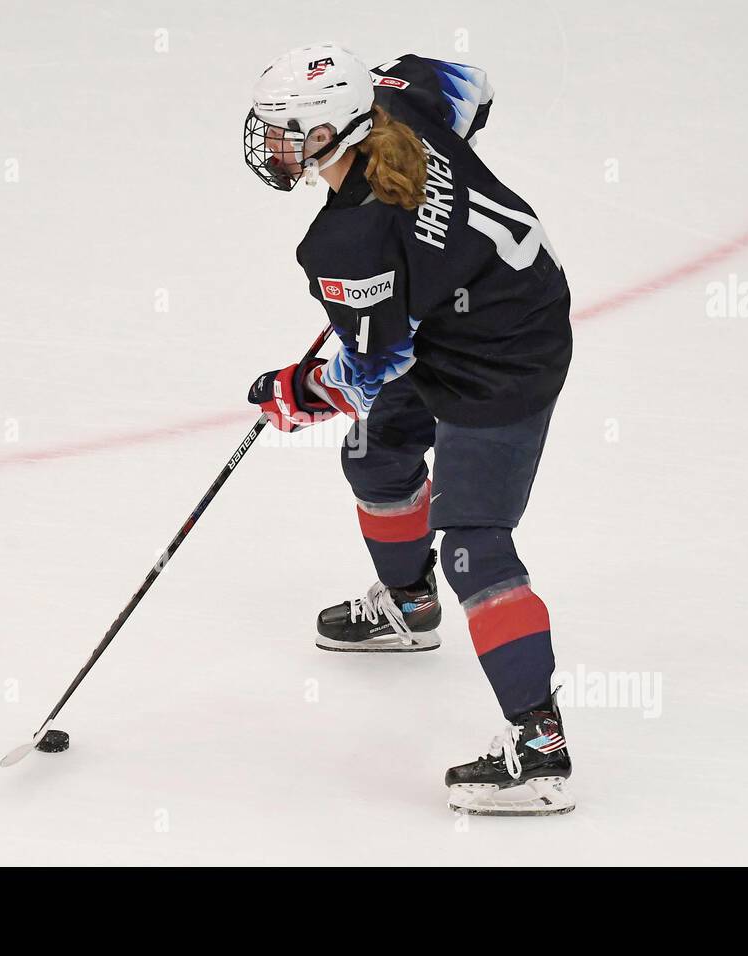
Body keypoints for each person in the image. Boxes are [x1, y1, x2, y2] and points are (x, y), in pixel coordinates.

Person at [242, 42, 575, 815]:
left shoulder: (345, 245)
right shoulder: (401, 96)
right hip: (466, 317)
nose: (272, 145)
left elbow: (365, 372)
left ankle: (540, 751)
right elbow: (473, 87)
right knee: (375, 454)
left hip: (507, 355)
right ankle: (407, 606)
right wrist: (430, 247)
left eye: (285, 129)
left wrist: (292, 390)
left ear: (330, 134)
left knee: (474, 544)